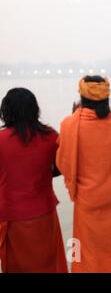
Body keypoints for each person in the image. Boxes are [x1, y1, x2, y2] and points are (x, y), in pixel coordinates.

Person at [56, 76, 111, 273]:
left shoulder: (70, 124)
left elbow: (63, 164)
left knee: (85, 250)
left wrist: (75, 115)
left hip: (87, 200)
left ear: (81, 97)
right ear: (106, 98)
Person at [0, 88, 68, 273]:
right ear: (34, 109)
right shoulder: (50, 136)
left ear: (6, 110)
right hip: (45, 213)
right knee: (49, 264)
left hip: (13, 218)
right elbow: (61, 167)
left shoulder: (1, 139)